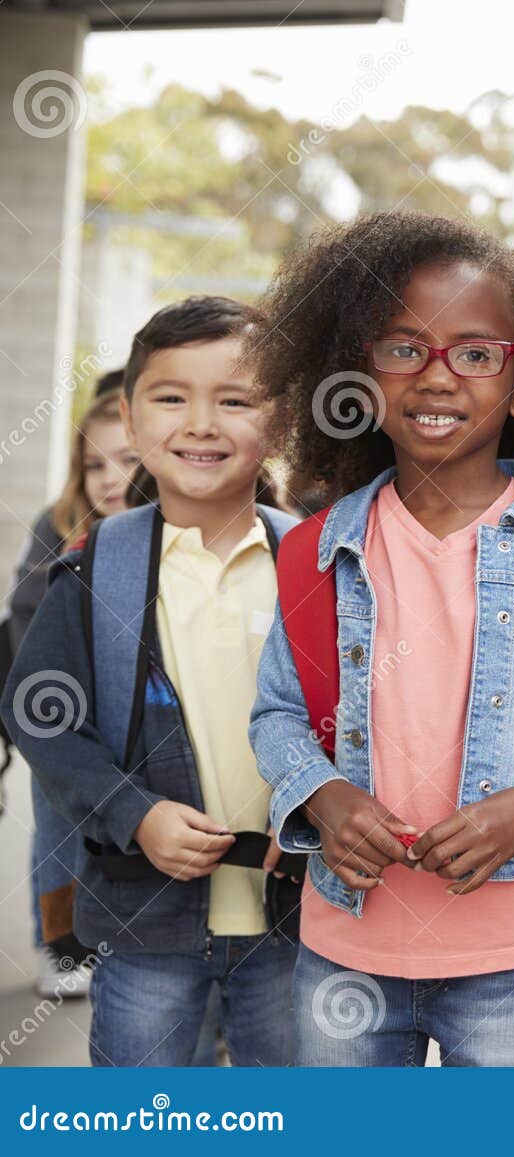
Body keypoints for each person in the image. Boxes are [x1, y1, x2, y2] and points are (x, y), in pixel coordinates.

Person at [247, 210, 514, 1066]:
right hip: (349, 949)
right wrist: (323, 797)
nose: (437, 377)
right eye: (404, 348)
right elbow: (276, 713)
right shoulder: (318, 549)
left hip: (513, 956)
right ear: (363, 375)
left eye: (475, 354)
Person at [1, 297, 300, 1066]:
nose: (201, 423)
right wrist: (132, 812)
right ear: (131, 424)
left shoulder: (318, 567)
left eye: (234, 400)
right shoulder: (95, 569)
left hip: (298, 930)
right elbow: (39, 717)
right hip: (145, 928)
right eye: (171, 398)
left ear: (282, 423)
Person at [6, 378, 139, 998]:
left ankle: (127, 940)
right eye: (95, 464)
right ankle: (62, 945)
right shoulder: (59, 527)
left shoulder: (166, 535)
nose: (110, 478)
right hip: (65, 715)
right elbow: (29, 620)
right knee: (60, 827)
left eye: (128, 461)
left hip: (143, 722)